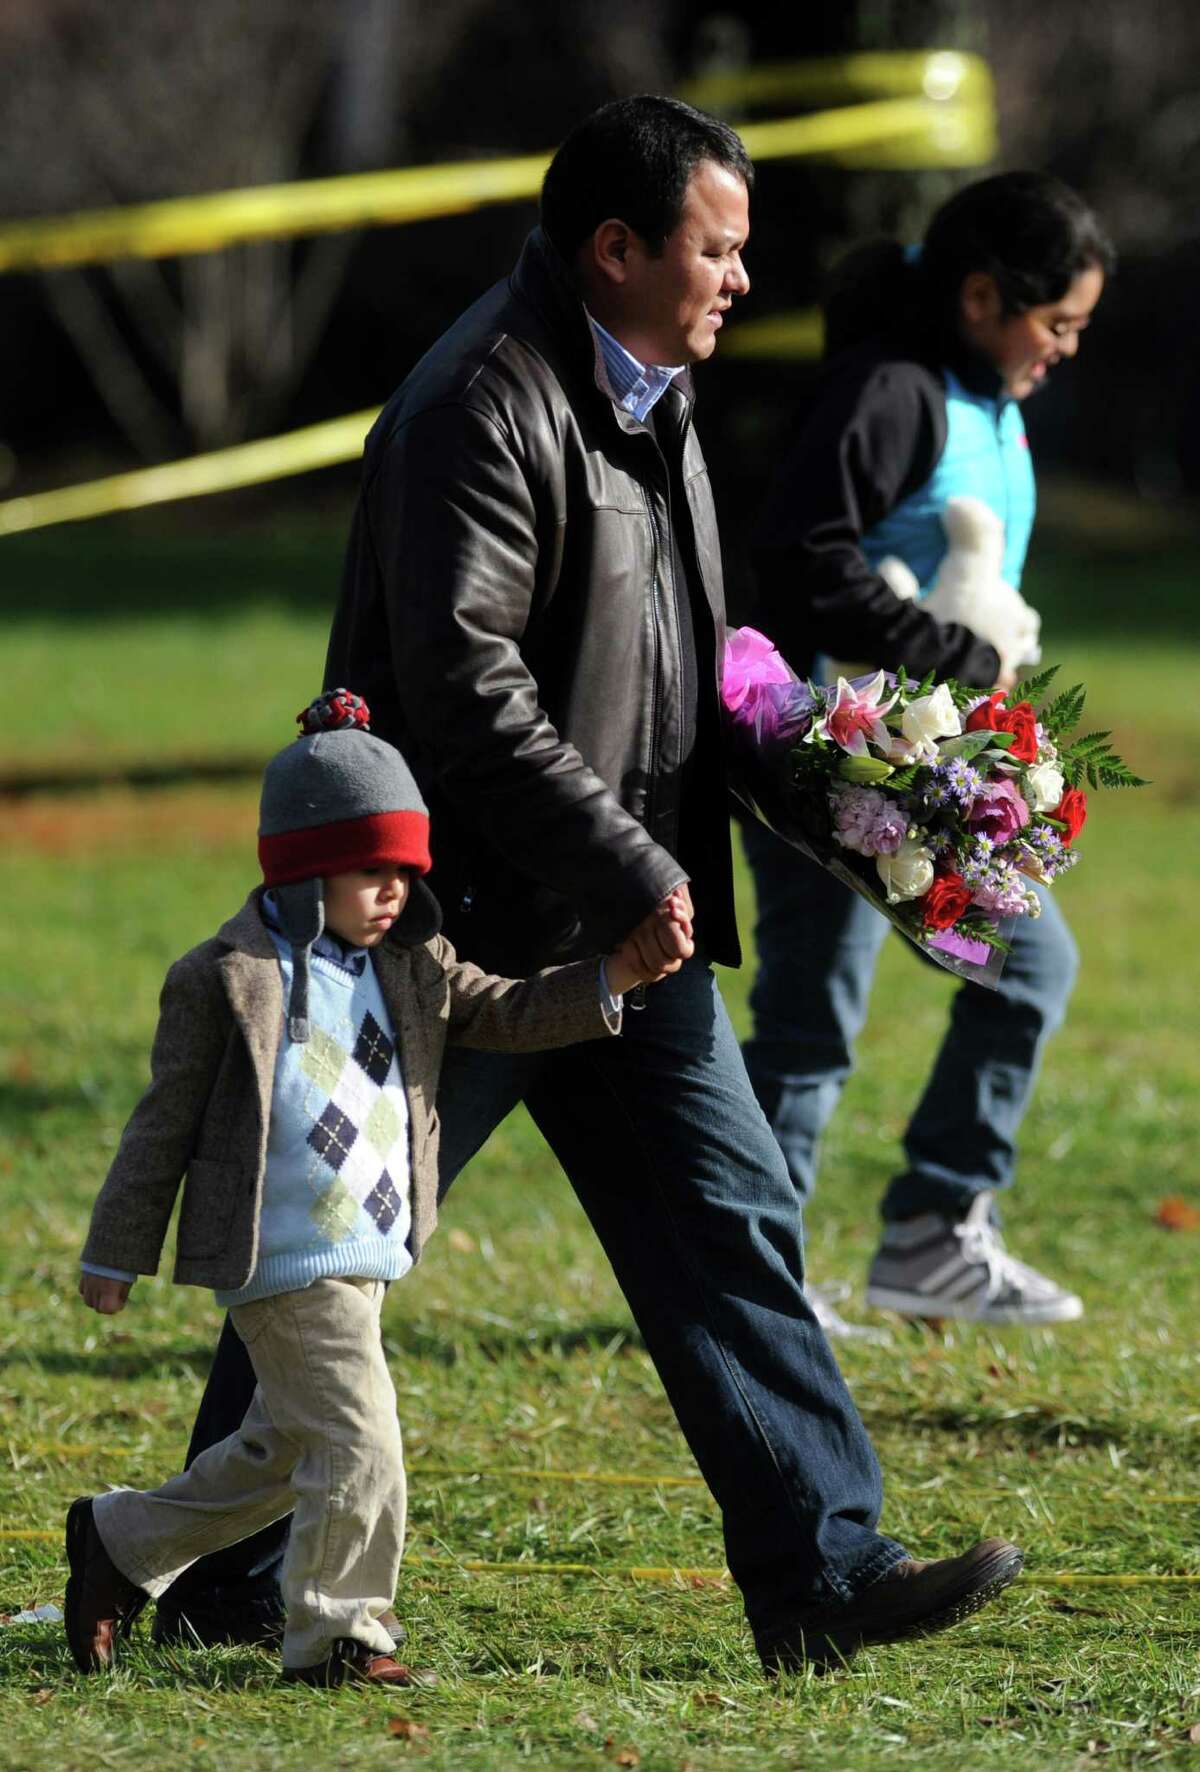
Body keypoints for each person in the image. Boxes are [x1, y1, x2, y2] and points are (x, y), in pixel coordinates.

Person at [158, 96, 1023, 1675]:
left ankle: (821, 1573)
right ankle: (211, 1573)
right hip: (462, 932)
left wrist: (826, 795)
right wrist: (635, 863)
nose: (740, 281)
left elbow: (673, 664)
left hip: (627, 928)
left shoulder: (651, 385)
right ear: (615, 249)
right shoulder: (481, 402)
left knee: (733, 1227)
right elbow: (467, 684)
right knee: (337, 1245)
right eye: (717, 246)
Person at [65, 689, 680, 1687]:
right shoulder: (227, 976)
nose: (393, 890)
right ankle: (340, 1635)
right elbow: (162, 1121)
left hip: (367, 1255)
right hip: (282, 1258)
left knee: (277, 1449)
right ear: (304, 868)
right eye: (370, 868)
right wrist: (114, 1250)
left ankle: (120, 1540)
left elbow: (508, 1008)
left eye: (406, 868)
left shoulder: (411, 960)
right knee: (361, 1439)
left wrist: (610, 976)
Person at [742, 172, 1114, 1333]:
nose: (1061, 352)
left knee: (856, 1002)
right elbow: (800, 554)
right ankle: (798, 1266)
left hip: (918, 770)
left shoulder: (978, 393)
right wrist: (945, 647)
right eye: (1055, 326)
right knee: (823, 1013)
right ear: (980, 294)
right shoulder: (892, 389)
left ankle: (904, 1238)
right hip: (833, 762)